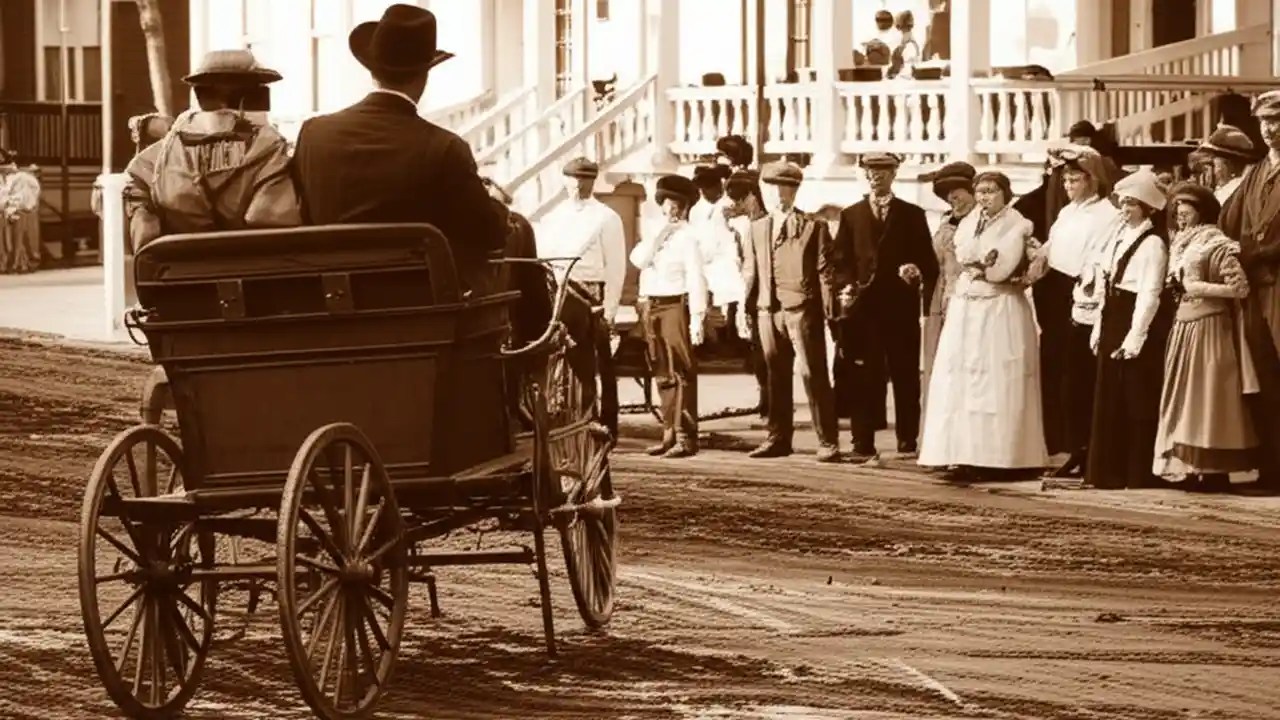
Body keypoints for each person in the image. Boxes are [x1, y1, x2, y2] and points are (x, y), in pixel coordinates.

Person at [291, 4, 506, 292]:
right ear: (424, 76)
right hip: (418, 303)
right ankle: (540, 334)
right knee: (518, 233)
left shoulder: (313, 134)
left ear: (372, 70)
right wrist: (497, 205)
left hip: (333, 297)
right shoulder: (445, 148)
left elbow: (302, 213)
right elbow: (489, 234)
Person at [918, 170, 1048, 478]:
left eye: (991, 190)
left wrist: (1026, 271)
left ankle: (1002, 458)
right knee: (962, 381)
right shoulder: (968, 223)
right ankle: (961, 454)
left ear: (1005, 192)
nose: (984, 197)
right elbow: (963, 255)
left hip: (999, 307)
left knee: (996, 380)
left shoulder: (1018, 225)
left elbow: (1035, 259)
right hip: (967, 307)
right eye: (981, 191)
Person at [123, 48, 301, 251]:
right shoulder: (269, 147)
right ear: (251, 96)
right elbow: (271, 219)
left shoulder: (165, 150)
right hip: (247, 266)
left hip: (178, 266)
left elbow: (134, 191)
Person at [832, 152, 938, 463]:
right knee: (863, 375)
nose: (877, 177)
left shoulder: (912, 214)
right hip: (864, 310)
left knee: (905, 374)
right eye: (871, 171)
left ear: (894, 174)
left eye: (884, 171)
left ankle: (908, 439)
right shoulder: (851, 215)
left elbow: (928, 262)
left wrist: (914, 270)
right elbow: (841, 260)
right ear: (865, 175)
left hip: (899, 308)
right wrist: (847, 285)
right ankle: (862, 440)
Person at [1155, 183, 1258, 492]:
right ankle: (1190, 466)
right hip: (1185, 326)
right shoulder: (1181, 243)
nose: (1181, 219)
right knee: (1186, 395)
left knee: (1210, 394)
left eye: (1186, 213)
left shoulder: (1217, 243)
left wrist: (1203, 289)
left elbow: (1240, 289)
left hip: (1211, 326)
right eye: (1178, 214)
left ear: (1201, 212)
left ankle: (1214, 468)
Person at [1030, 145, 1119, 476]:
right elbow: (1052, 247)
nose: (1068, 186)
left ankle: (1090, 448)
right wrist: (1035, 258)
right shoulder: (1067, 213)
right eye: (1065, 179)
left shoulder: (1106, 214)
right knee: (1061, 377)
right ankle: (1070, 444)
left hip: (1083, 296)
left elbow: (1098, 259)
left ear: (1092, 179)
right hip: (1054, 294)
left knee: (1082, 376)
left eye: (1075, 179)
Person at [742, 161, 840, 462]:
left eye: (786, 187)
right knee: (774, 375)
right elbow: (750, 270)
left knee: (813, 374)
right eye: (773, 188)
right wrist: (745, 310)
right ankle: (778, 438)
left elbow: (825, 272)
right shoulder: (757, 227)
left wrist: (831, 315)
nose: (778, 194)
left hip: (801, 309)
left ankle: (827, 440)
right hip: (766, 310)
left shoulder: (813, 226)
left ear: (795, 191)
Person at [1085, 169, 1174, 490]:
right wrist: (1098, 327)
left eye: (1132, 204)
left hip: (1134, 319)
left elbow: (1150, 294)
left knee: (1134, 397)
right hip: (1112, 314)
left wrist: (1135, 338)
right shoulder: (1119, 236)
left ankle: (1135, 471)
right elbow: (1104, 283)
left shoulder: (1152, 244)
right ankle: (1107, 471)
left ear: (1147, 208)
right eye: (1122, 203)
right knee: (1108, 395)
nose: (1125, 210)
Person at [1218, 89, 1280, 493]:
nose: (1271, 130)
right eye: (1265, 123)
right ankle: (1272, 469)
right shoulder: (1255, 172)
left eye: (1277, 122)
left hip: (1277, 283)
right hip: (1255, 290)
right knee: (1264, 376)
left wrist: (1257, 253)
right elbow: (1229, 222)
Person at [630, 174, 707, 458]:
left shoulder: (690, 237)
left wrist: (698, 316)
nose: (668, 210)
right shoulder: (654, 233)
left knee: (681, 371)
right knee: (661, 371)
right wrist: (658, 235)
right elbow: (638, 260)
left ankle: (687, 435)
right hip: (651, 305)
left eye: (674, 205)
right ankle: (668, 433)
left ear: (685, 207)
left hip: (676, 304)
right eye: (664, 204)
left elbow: (697, 277)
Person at [535, 157, 628, 326]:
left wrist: (609, 310)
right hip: (554, 293)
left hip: (588, 294)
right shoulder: (553, 216)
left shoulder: (607, 217)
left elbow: (616, 268)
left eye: (584, 181)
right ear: (565, 181)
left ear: (593, 183)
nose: (578, 186)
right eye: (573, 180)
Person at [917, 161, 977, 409]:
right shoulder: (945, 223)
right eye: (949, 197)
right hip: (941, 302)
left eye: (958, 194)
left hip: (970, 302)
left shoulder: (980, 224)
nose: (954, 200)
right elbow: (933, 263)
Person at [0, 149, 42, 274]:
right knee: (15, 238)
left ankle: (18, 262)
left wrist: (9, 204)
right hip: (14, 209)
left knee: (17, 238)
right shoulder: (22, 177)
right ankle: (15, 263)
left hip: (16, 209)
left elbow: (13, 195)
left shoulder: (19, 177)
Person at [1196, 124, 1254, 204]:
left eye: (1214, 165)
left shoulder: (1230, 194)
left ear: (1229, 166)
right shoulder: (1244, 188)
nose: (1210, 174)